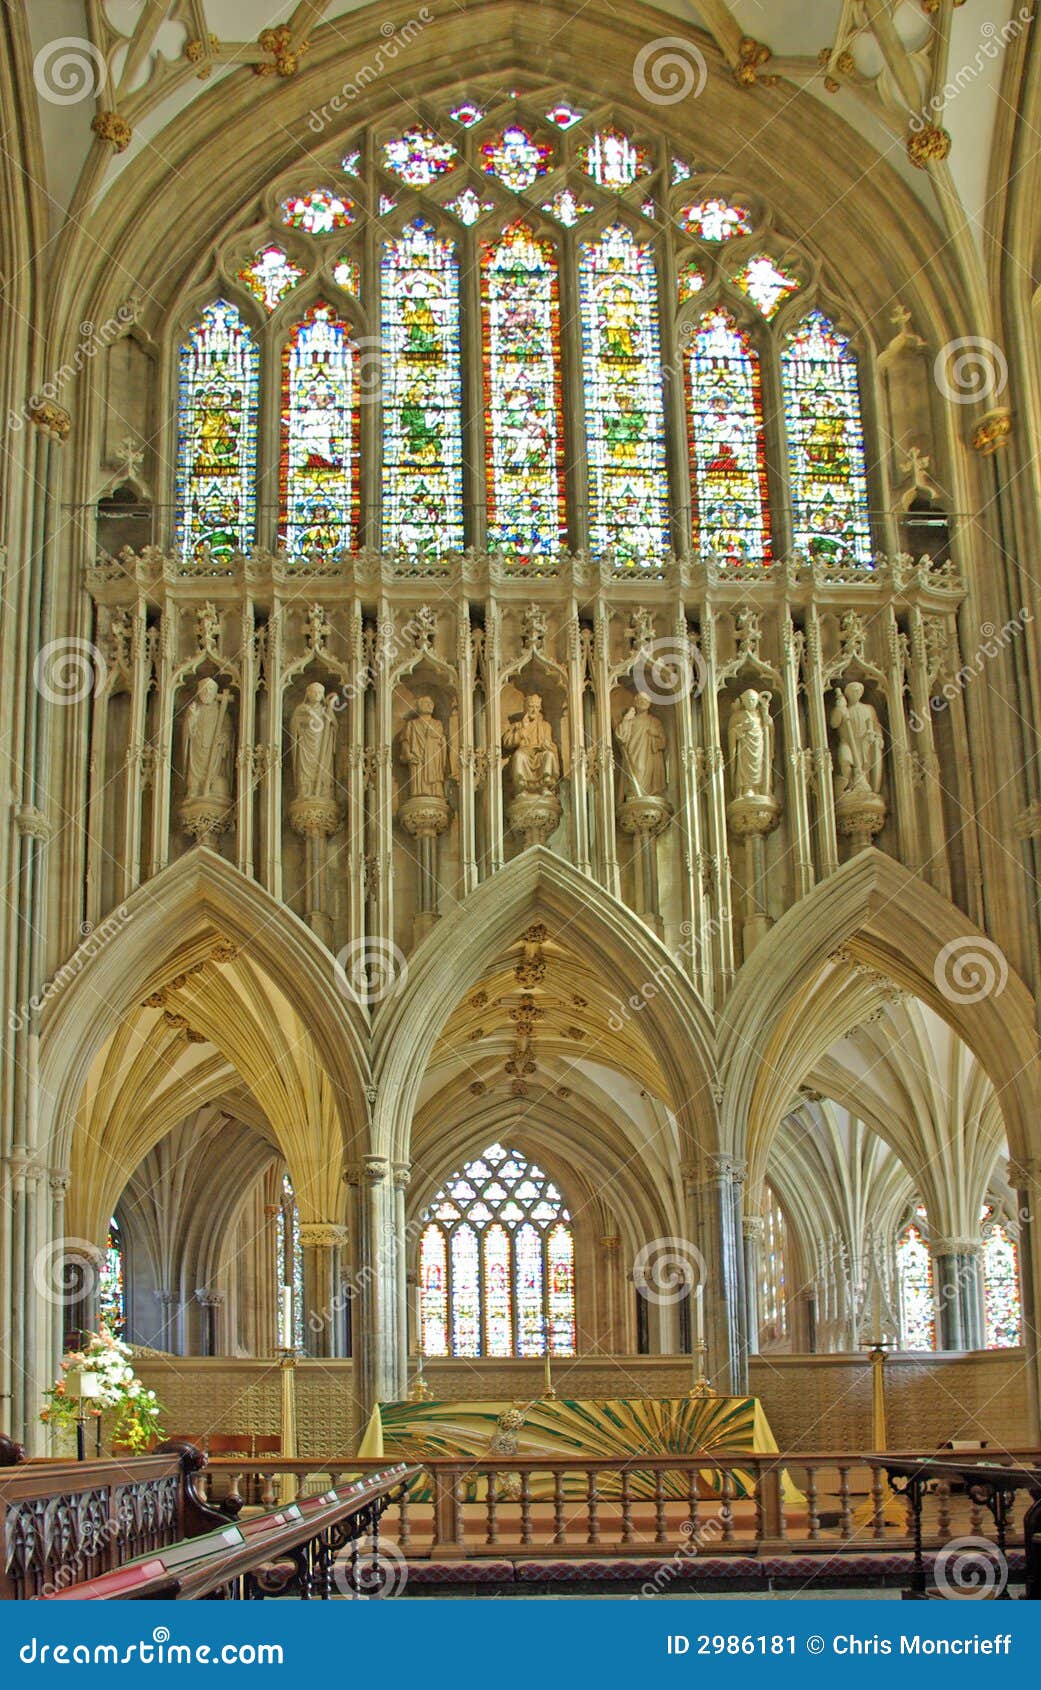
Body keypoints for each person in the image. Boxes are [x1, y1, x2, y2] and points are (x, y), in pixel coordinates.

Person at [502, 694, 560, 797]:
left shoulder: (545, 726)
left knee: (549, 755)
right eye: (531, 706)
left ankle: (544, 787)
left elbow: (552, 746)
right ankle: (521, 789)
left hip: (539, 754)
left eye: (537, 707)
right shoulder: (517, 725)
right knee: (518, 756)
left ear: (540, 708)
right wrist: (520, 732)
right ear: (525, 708)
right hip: (524, 754)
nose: (534, 710)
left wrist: (547, 746)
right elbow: (506, 742)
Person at [616, 693, 667, 799]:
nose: (643, 702)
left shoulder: (654, 721)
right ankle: (634, 795)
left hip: (649, 757)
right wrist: (625, 720)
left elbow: (662, 742)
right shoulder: (631, 720)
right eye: (640, 700)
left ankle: (649, 795)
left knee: (644, 770)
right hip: (633, 755)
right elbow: (621, 736)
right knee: (638, 771)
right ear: (635, 702)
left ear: (649, 704)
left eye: (645, 700)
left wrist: (655, 734)